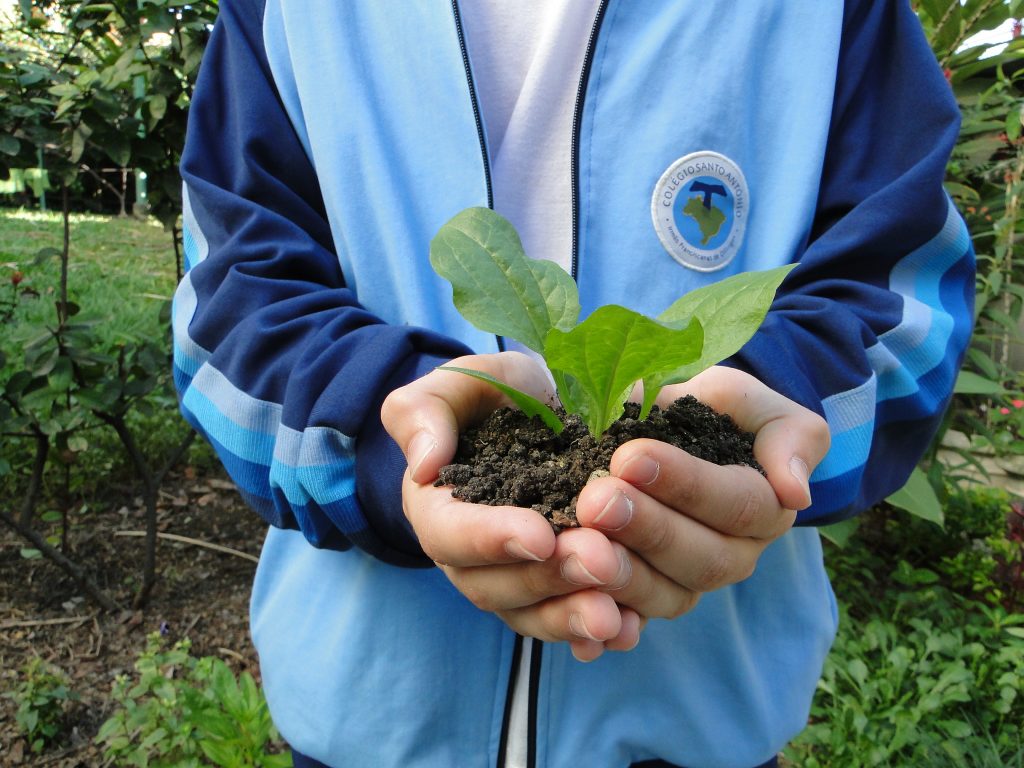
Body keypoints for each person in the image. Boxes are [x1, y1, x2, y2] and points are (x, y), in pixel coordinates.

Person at [171, 0, 974, 766]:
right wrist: (397, 445)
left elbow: (905, 300)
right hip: (375, 722)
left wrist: (756, 419)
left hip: (695, 722)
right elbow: (233, 301)